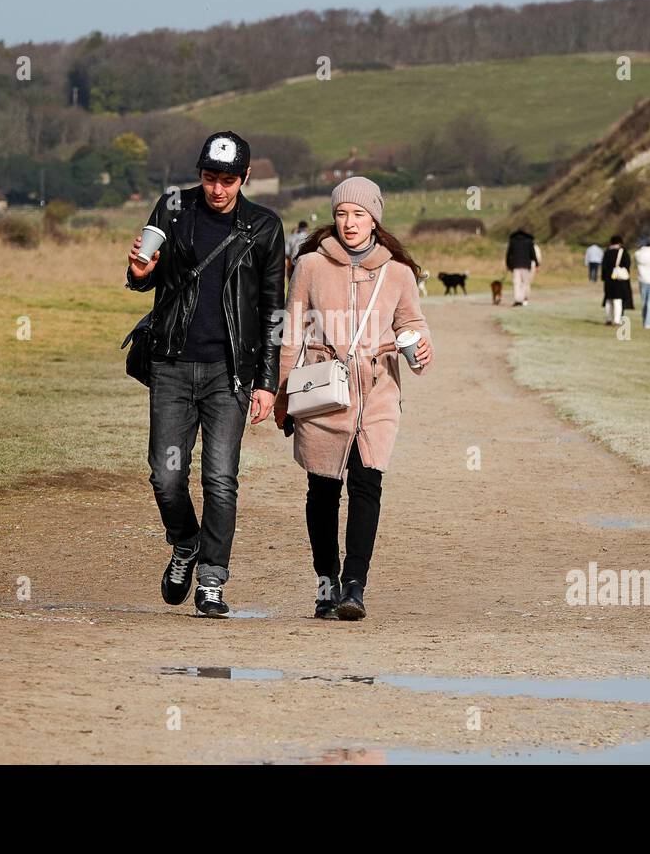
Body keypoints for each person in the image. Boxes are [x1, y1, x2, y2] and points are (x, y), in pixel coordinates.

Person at [126, 131, 285, 617]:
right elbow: (146, 276)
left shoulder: (264, 227)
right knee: (166, 476)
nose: (218, 189)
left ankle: (212, 580)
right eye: (210, 178)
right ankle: (186, 543)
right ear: (200, 174)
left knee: (220, 479)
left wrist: (266, 381)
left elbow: (273, 307)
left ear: (246, 178)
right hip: (172, 364)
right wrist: (139, 271)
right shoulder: (173, 208)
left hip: (229, 374)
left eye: (228, 180)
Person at [274, 177, 432, 621]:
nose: (349, 222)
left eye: (359, 214)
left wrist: (418, 351)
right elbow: (291, 334)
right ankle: (326, 582)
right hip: (323, 392)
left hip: (379, 392)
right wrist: (284, 392)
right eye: (342, 213)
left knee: (368, 484)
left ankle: (354, 586)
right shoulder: (308, 265)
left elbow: (414, 325)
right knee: (322, 491)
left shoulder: (398, 272)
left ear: (375, 219)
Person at [601, 235, 634, 325]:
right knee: (618, 300)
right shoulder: (623, 252)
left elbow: (603, 267)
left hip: (608, 279)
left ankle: (608, 319)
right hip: (619, 280)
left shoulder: (607, 252)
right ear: (620, 242)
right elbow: (627, 265)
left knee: (608, 299)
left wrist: (604, 278)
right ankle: (617, 319)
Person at [506, 227, 541, 306]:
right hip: (526, 265)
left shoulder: (512, 241)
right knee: (525, 283)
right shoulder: (529, 241)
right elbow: (533, 255)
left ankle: (517, 299)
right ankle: (522, 298)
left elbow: (508, 254)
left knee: (516, 283)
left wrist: (508, 265)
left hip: (515, 265)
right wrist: (537, 265)